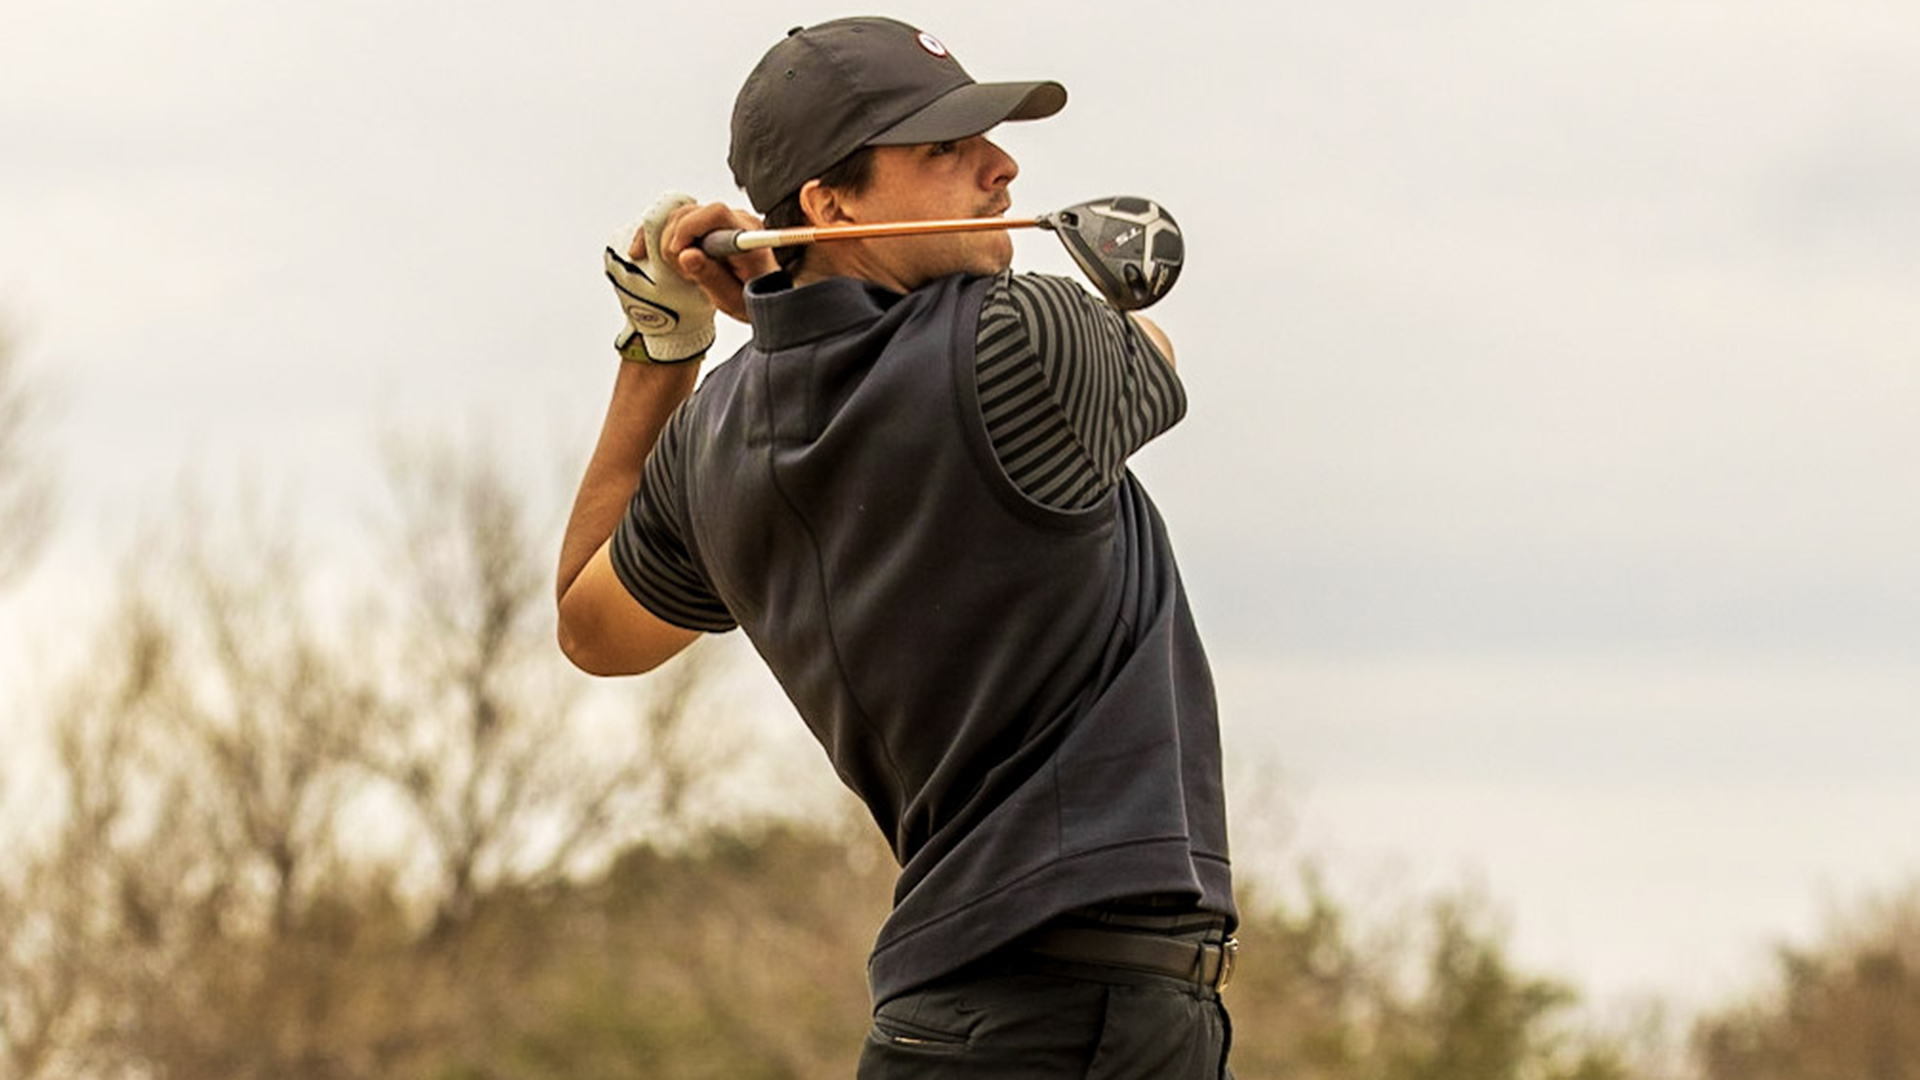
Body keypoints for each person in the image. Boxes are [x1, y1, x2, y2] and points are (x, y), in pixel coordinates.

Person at [555, 16, 1238, 1078]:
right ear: (829, 204)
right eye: (944, 150)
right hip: (1075, 1022)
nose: (1002, 166)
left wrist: (669, 346)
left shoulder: (714, 436)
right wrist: (796, 308)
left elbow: (593, 630)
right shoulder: (1019, 343)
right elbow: (1151, 339)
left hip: (959, 1017)